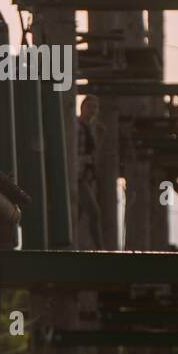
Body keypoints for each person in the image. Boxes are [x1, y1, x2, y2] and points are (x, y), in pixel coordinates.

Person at [77, 95, 104, 248]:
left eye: (95, 107)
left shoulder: (90, 128)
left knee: (77, 213)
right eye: (90, 107)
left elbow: (93, 152)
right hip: (78, 177)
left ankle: (72, 245)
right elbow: (74, 153)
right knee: (94, 212)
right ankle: (100, 248)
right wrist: (86, 160)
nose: (92, 111)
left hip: (86, 177)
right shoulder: (77, 126)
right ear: (82, 107)